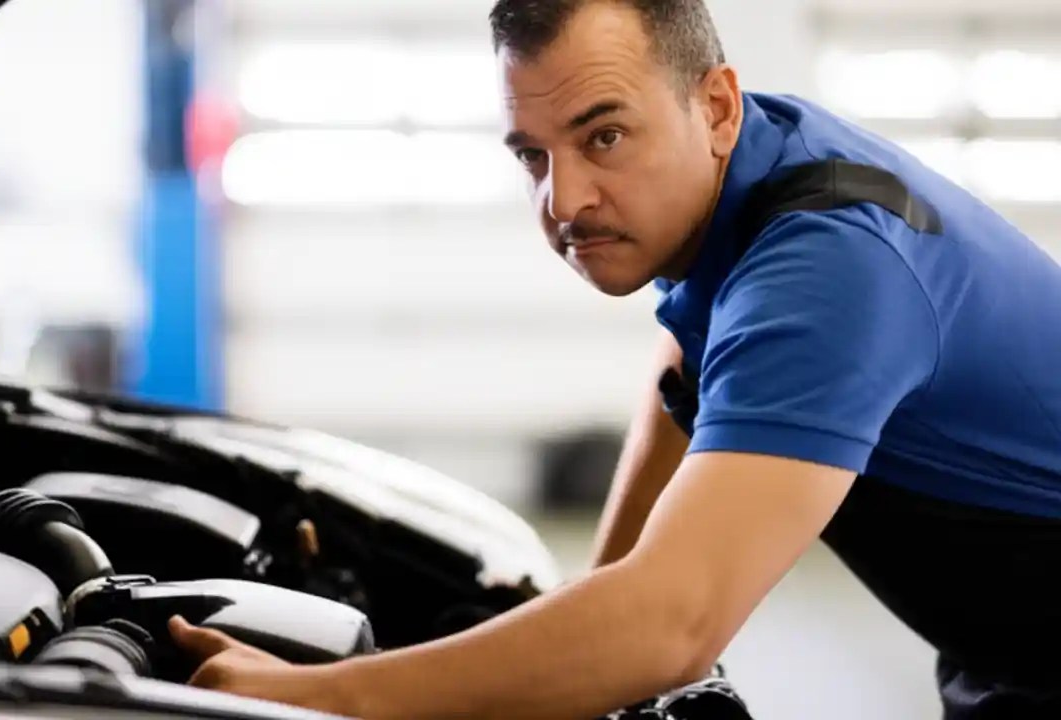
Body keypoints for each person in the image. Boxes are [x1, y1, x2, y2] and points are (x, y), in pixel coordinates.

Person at [167, 1, 1061, 718]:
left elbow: (674, 624)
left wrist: (322, 697)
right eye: (533, 155)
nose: (564, 201)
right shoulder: (753, 176)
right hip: (1005, 656)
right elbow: (688, 361)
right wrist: (594, 602)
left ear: (716, 107)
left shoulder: (829, 267)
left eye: (603, 137)